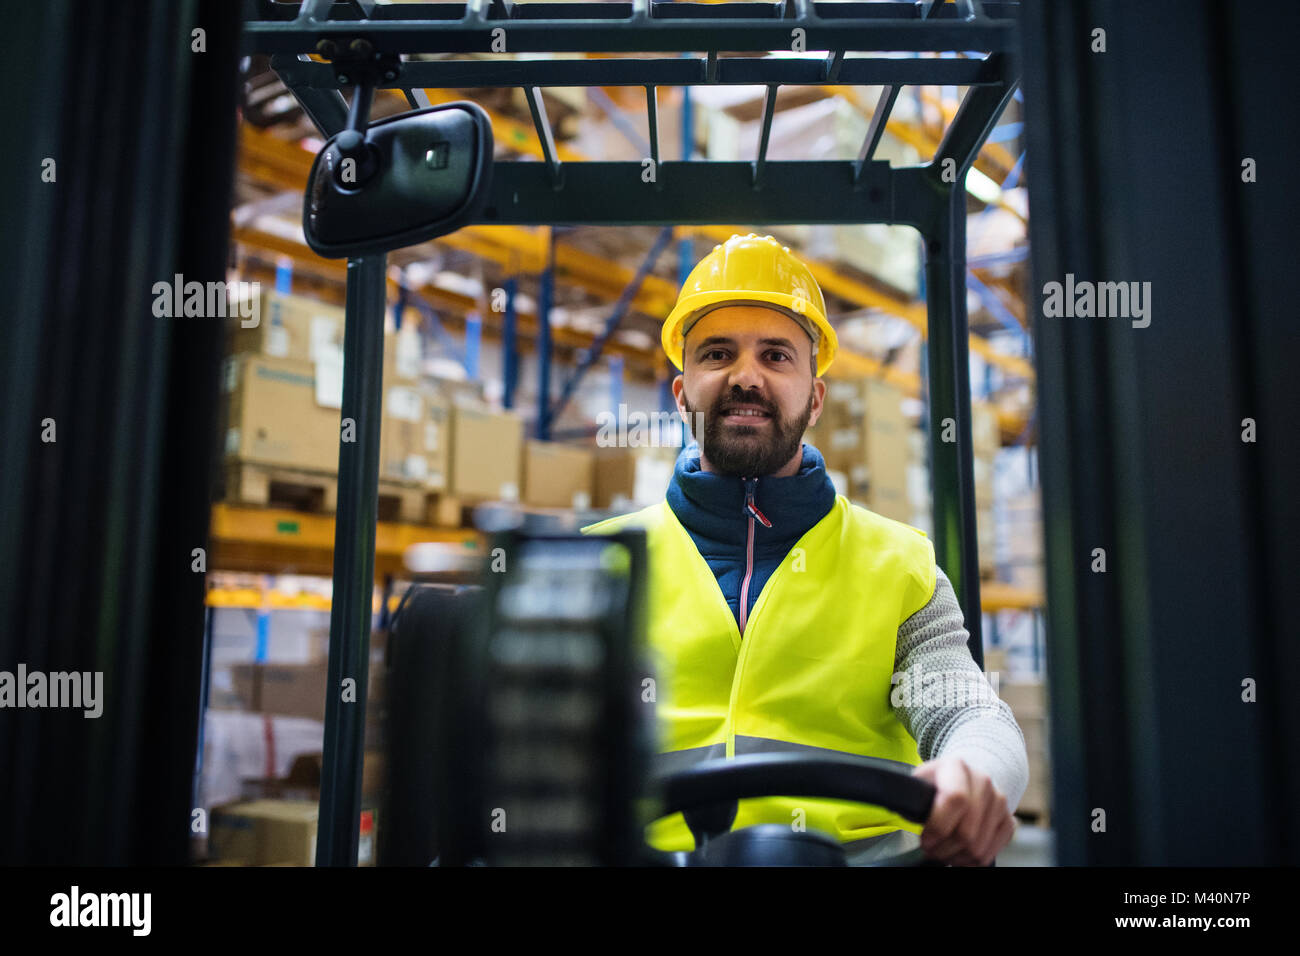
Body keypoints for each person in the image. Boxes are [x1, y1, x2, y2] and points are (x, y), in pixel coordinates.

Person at [583, 233, 1027, 866]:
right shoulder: (600, 566)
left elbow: (970, 712)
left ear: (814, 398)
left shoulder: (898, 568)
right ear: (682, 395)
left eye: (776, 356)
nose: (745, 376)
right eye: (717, 353)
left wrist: (974, 775)